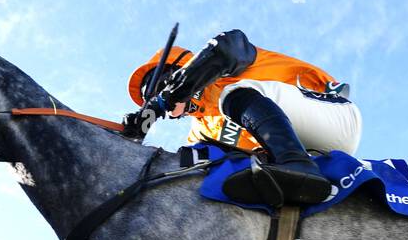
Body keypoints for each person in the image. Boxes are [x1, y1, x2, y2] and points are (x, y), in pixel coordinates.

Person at [124, 30, 361, 204]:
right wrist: (130, 140)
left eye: (157, 92)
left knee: (230, 94)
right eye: (151, 100)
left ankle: (297, 164)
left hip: (336, 119)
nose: (158, 104)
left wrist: (169, 96)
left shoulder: (226, 67)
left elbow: (227, 47)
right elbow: (184, 171)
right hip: (318, 152)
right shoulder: (200, 129)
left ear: (178, 71)